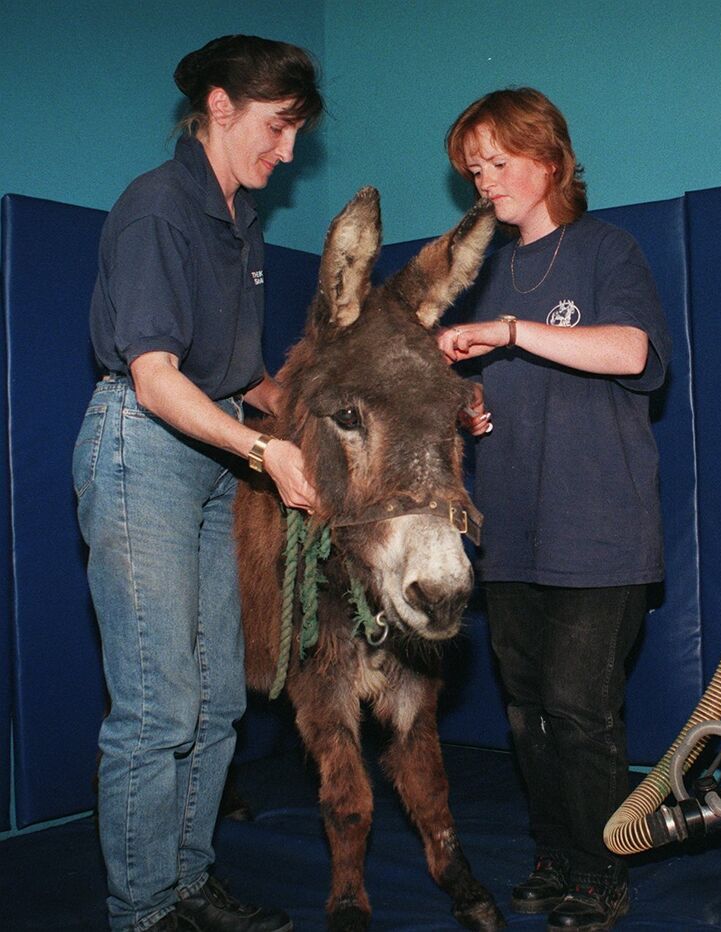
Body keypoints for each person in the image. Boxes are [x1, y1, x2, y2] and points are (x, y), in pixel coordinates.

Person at [73, 35, 322, 932]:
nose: (288, 152)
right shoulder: (158, 208)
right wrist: (264, 456)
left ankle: (185, 882)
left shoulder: (239, 220)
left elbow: (247, 377)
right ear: (221, 106)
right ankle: (142, 911)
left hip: (216, 451)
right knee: (158, 701)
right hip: (145, 445)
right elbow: (156, 376)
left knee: (220, 696)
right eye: (278, 127)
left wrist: (332, 418)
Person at [439, 87, 671, 931]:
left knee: (580, 710)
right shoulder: (489, 273)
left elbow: (634, 351)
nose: (486, 181)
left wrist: (508, 331)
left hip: (597, 533)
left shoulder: (606, 249)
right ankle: (554, 852)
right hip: (509, 537)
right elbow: (484, 390)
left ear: (549, 160)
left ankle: (603, 868)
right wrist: (468, 403)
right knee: (525, 709)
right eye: (474, 170)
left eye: (499, 163)